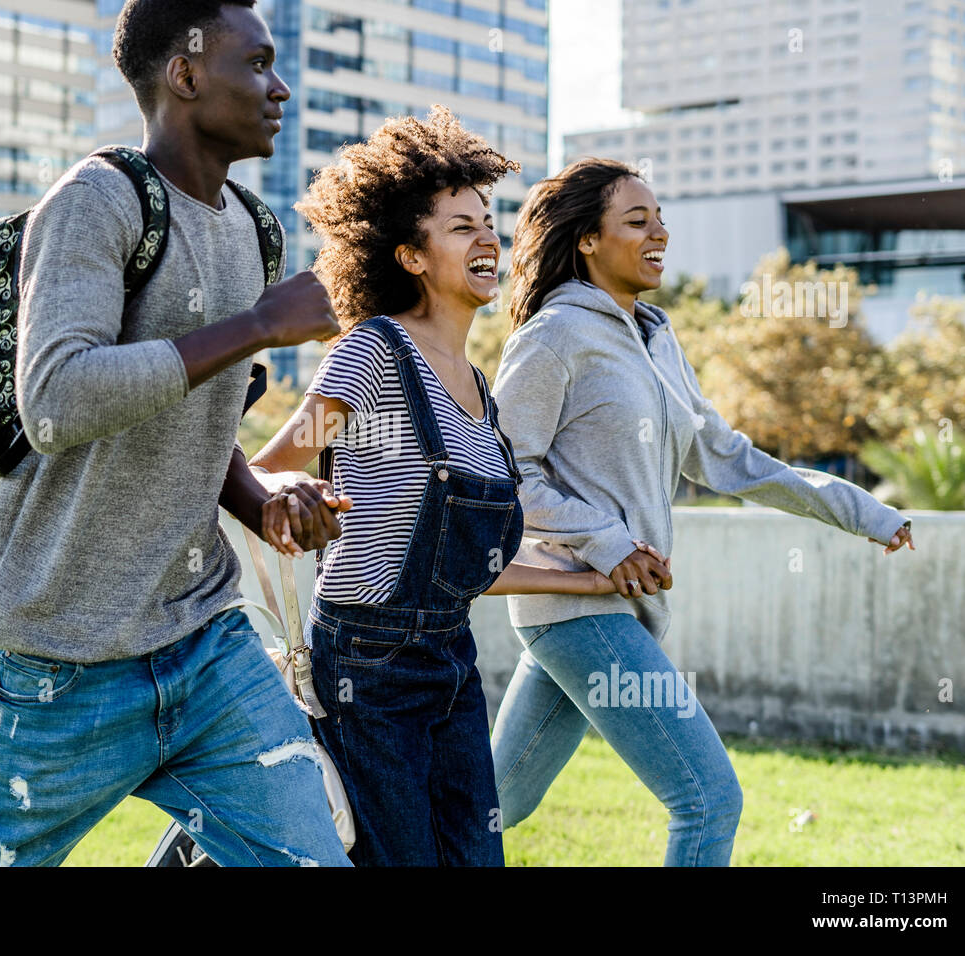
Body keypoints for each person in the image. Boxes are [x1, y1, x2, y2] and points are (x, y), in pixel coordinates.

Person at [0, 0, 353, 867]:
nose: (280, 88)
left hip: (207, 643)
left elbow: (198, 428)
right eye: (258, 64)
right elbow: (55, 398)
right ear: (186, 73)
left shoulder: (254, 227)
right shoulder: (95, 201)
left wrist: (261, 499)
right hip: (68, 660)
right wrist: (254, 326)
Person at [248, 108, 662, 866]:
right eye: (460, 227)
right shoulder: (373, 352)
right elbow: (272, 465)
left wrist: (591, 581)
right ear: (408, 253)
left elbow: (464, 569)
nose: (486, 240)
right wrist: (292, 500)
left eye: (488, 223)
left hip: (450, 660)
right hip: (365, 668)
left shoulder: (479, 390)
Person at [489, 157, 915, 866]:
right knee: (708, 798)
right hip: (578, 606)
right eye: (637, 219)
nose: (660, 232)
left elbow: (729, 457)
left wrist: (861, 510)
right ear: (587, 239)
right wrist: (606, 541)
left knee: (493, 804)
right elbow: (504, 470)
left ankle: (363, 845)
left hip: (616, 611)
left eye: (661, 218)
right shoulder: (554, 336)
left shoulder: (656, 337)